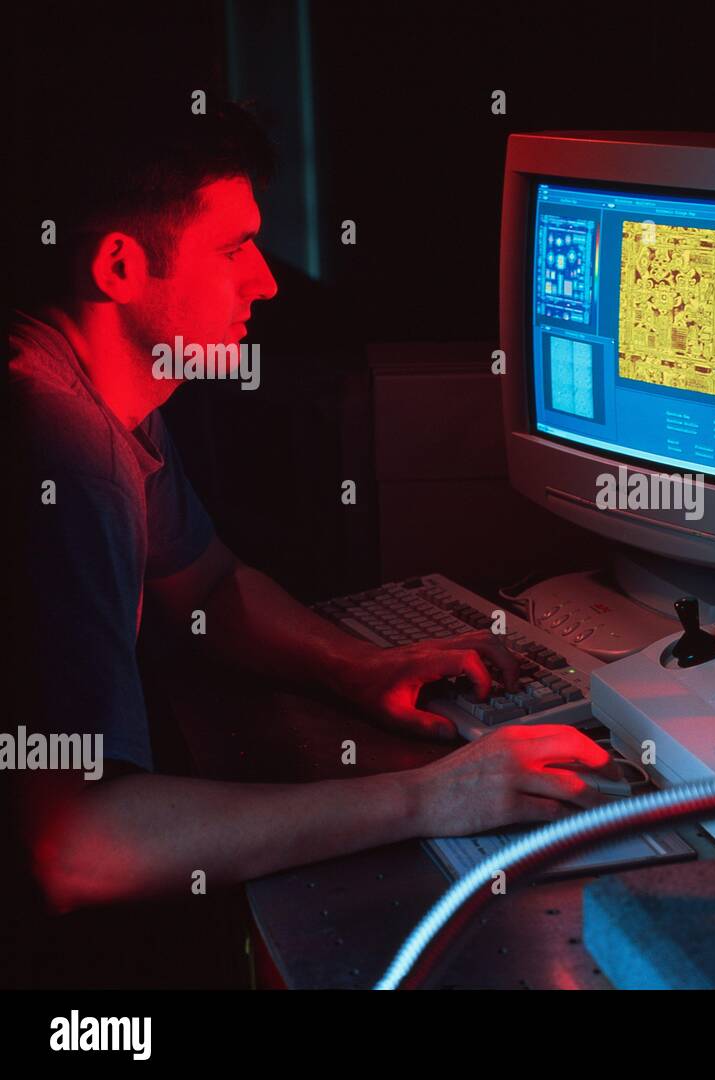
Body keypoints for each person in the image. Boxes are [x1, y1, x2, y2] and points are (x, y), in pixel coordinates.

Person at [5, 98, 616, 980]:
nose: (266, 281)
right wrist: (430, 798)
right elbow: (77, 848)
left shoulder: (109, 391)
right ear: (120, 264)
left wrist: (354, 668)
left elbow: (203, 581)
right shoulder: (65, 454)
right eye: (232, 250)